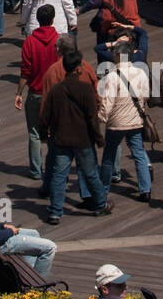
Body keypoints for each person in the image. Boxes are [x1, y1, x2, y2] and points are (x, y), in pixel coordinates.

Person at [39, 52, 112, 224]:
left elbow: (45, 117)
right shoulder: (85, 89)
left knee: (59, 175)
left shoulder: (56, 91)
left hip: (61, 139)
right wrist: (98, 138)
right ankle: (101, 204)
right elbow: (92, 117)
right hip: (83, 139)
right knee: (91, 173)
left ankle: (55, 212)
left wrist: (44, 135)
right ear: (78, 68)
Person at [98, 37, 153, 203]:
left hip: (116, 123)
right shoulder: (141, 72)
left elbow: (108, 102)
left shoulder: (112, 76)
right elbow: (145, 96)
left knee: (109, 156)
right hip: (135, 120)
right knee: (139, 154)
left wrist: (100, 118)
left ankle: (104, 188)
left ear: (117, 56)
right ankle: (145, 189)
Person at [14, 3, 59, 181]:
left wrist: (19, 92)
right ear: (53, 19)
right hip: (55, 94)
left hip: (36, 92)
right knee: (55, 132)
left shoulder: (30, 42)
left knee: (34, 133)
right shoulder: (59, 40)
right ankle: (54, 166)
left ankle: (35, 170)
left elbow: (26, 71)